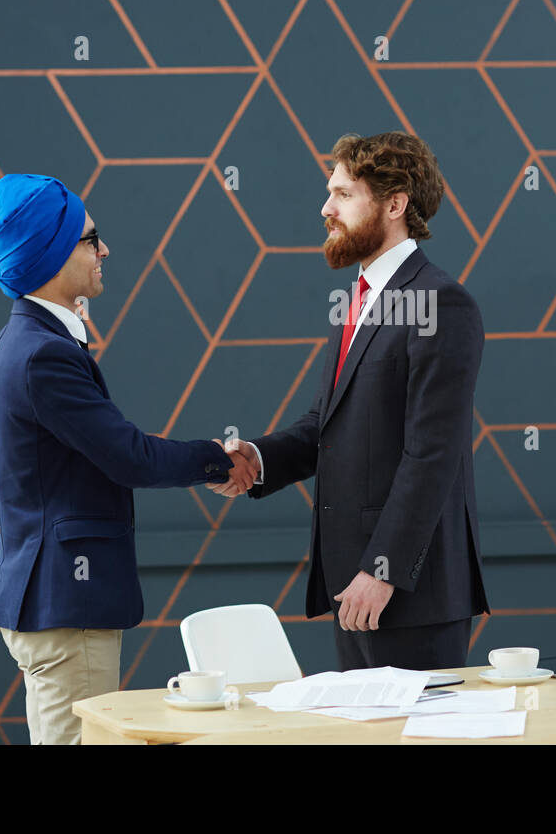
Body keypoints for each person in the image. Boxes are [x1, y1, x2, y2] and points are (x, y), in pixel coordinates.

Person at [0, 173, 256, 744]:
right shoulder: (42, 356)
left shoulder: (31, 344)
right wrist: (216, 460)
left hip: (56, 603)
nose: (104, 250)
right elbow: (128, 456)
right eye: (88, 239)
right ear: (51, 254)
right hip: (66, 607)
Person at [208, 132, 490, 671]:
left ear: (395, 204)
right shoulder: (358, 298)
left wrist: (382, 570)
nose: (326, 208)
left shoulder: (442, 302)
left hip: (407, 592)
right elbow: (327, 425)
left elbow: (432, 454)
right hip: (353, 586)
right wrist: (258, 460)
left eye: (342, 194)